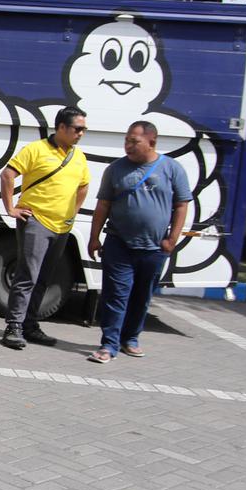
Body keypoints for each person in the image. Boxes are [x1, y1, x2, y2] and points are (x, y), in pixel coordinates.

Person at [86, 121, 191, 363]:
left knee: (142, 298)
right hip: (118, 244)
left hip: (154, 248)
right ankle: (109, 345)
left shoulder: (172, 168)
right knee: (115, 296)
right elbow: (103, 204)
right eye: (126, 140)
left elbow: (181, 205)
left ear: (152, 142)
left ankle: (130, 339)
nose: (128, 146)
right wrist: (94, 237)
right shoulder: (115, 169)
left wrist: (172, 240)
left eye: (134, 141)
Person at [0, 106, 90, 350]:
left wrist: (72, 213)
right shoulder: (36, 150)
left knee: (44, 278)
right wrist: (11, 208)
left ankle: (29, 325)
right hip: (36, 222)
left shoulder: (78, 156)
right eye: (77, 129)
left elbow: (83, 186)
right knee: (27, 275)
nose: (81, 133)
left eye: (84, 129)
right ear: (61, 127)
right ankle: (13, 327)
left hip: (62, 227)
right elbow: (7, 175)